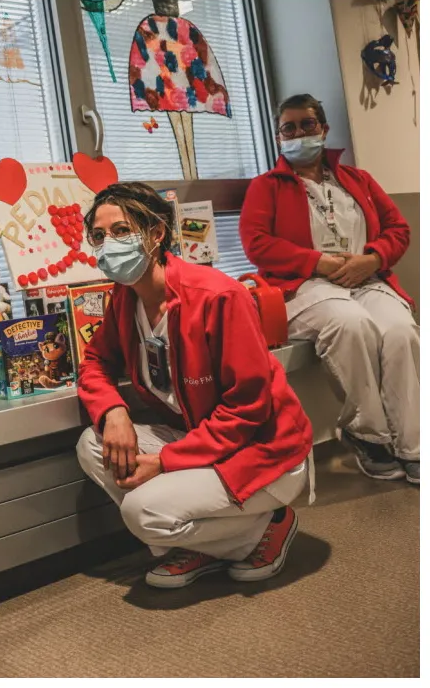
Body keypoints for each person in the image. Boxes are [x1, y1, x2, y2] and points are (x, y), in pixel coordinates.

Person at [76, 182, 315, 589]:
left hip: (261, 449)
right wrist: (114, 412)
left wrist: (165, 462)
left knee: (141, 512)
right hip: (202, 440)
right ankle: (212, 541)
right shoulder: (126, 299)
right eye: (98, 236)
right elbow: (96, 361)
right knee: (93, 444)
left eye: (121, 231)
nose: (108, 244)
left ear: (156, 234)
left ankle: (268, 525)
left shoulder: (218, 296)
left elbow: (247, 410)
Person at [240, 94, 418, 485]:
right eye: (289, 128)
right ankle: (368, 434)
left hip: (364, 278)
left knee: (401, 331)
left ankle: (413, 444)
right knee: (350, 324)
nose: (299, 133)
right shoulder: (265, 187)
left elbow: (398, 229)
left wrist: (372, 259)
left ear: (324, 128)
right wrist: (316, 261)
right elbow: (257, 243)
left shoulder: (358, 180)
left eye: (307, 124)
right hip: (305, 286)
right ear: (278, 137)